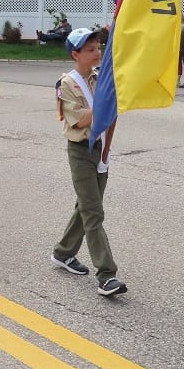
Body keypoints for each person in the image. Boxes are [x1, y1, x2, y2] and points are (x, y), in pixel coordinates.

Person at [52, 28, 126, 297]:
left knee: (85, 206)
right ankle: (107, 275)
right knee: (93, 212)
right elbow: (80, 120)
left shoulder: (100, 79)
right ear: (75, 54)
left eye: (98, 48)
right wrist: (105, 102)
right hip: (80, 150)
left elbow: (113, 117)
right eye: (91, 50)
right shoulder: (67, 84)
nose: (97, 53)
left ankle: (63, 253)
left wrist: (107, 150)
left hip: (99, 149)